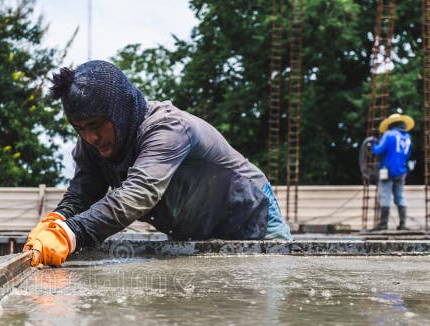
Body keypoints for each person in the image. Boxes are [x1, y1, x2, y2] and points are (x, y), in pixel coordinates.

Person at [24, 60, 291, 267]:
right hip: (194, 234)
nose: (90, 137)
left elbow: (138, 193)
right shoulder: (92, 144)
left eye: (95, 125)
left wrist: (71, 233)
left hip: (251, 218)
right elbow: (83, 193)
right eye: (79, 128)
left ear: (119, 112)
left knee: (256, 324)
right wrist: (56, 221)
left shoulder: (167, 129)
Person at [369, 112, 414, 231]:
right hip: (401, 171)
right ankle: (402, 224)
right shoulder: (408, 138)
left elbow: (378, 150)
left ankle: (383, 223)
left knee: (385, 195)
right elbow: (408, 154)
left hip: (387, 170)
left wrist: (373, 144)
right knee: (400, 196)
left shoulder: (389, 135)